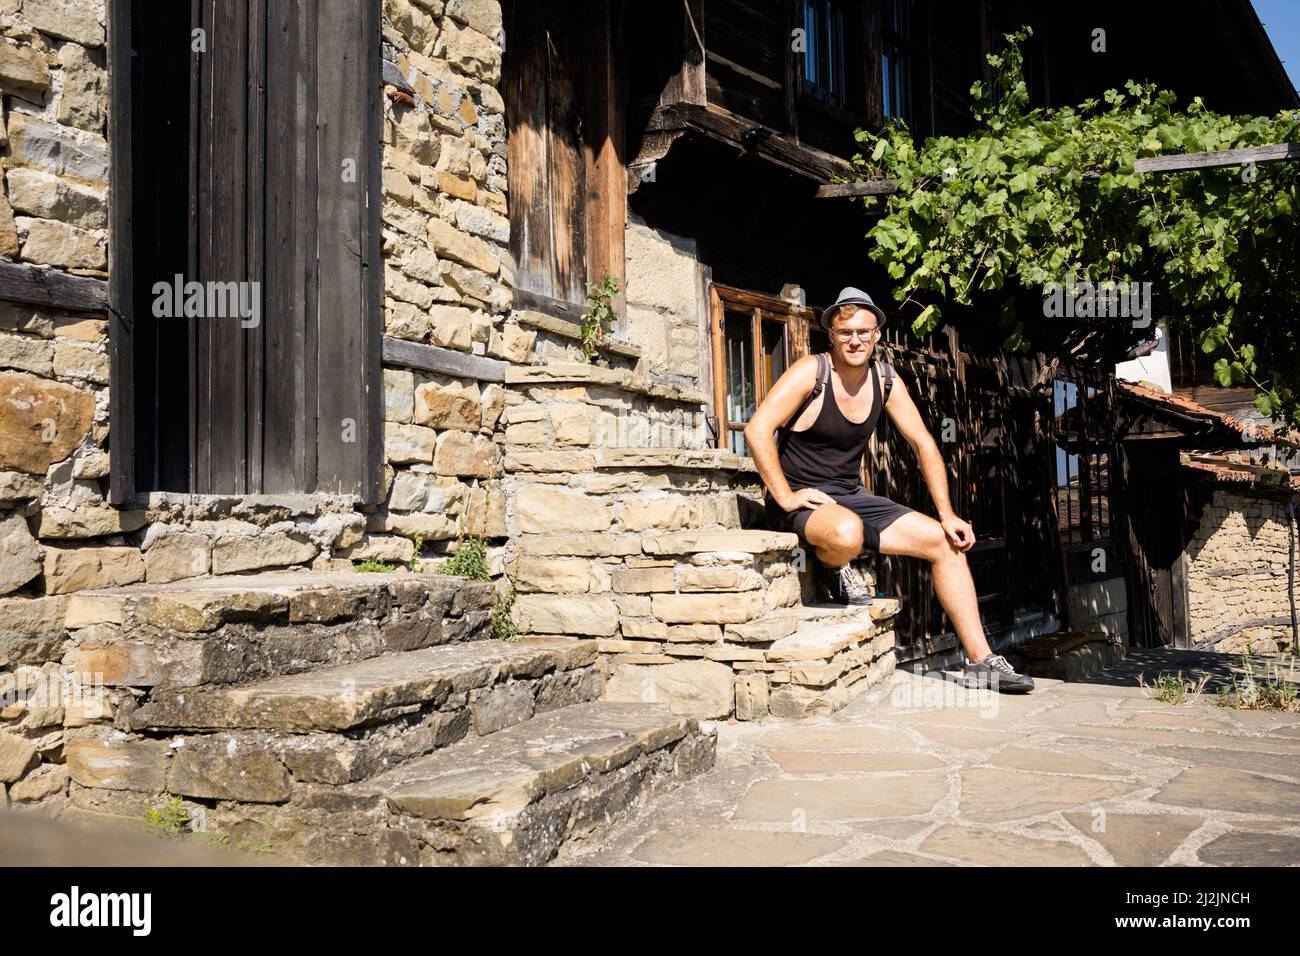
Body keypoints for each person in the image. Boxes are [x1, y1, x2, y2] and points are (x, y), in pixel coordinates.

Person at [743, 287, 1034, 693]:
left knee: (944, 542)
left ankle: (981, 661)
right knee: (847, 533)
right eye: (846, 332)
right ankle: (833, 566)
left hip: (848, 497)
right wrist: (785, 495)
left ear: (877, 333)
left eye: (864, 331)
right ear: (832, 334)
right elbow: (758, 428)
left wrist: (947, 514)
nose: (855, 340)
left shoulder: (885, 380)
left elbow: (924, 444)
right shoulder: (813, 372)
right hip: (801, 502)